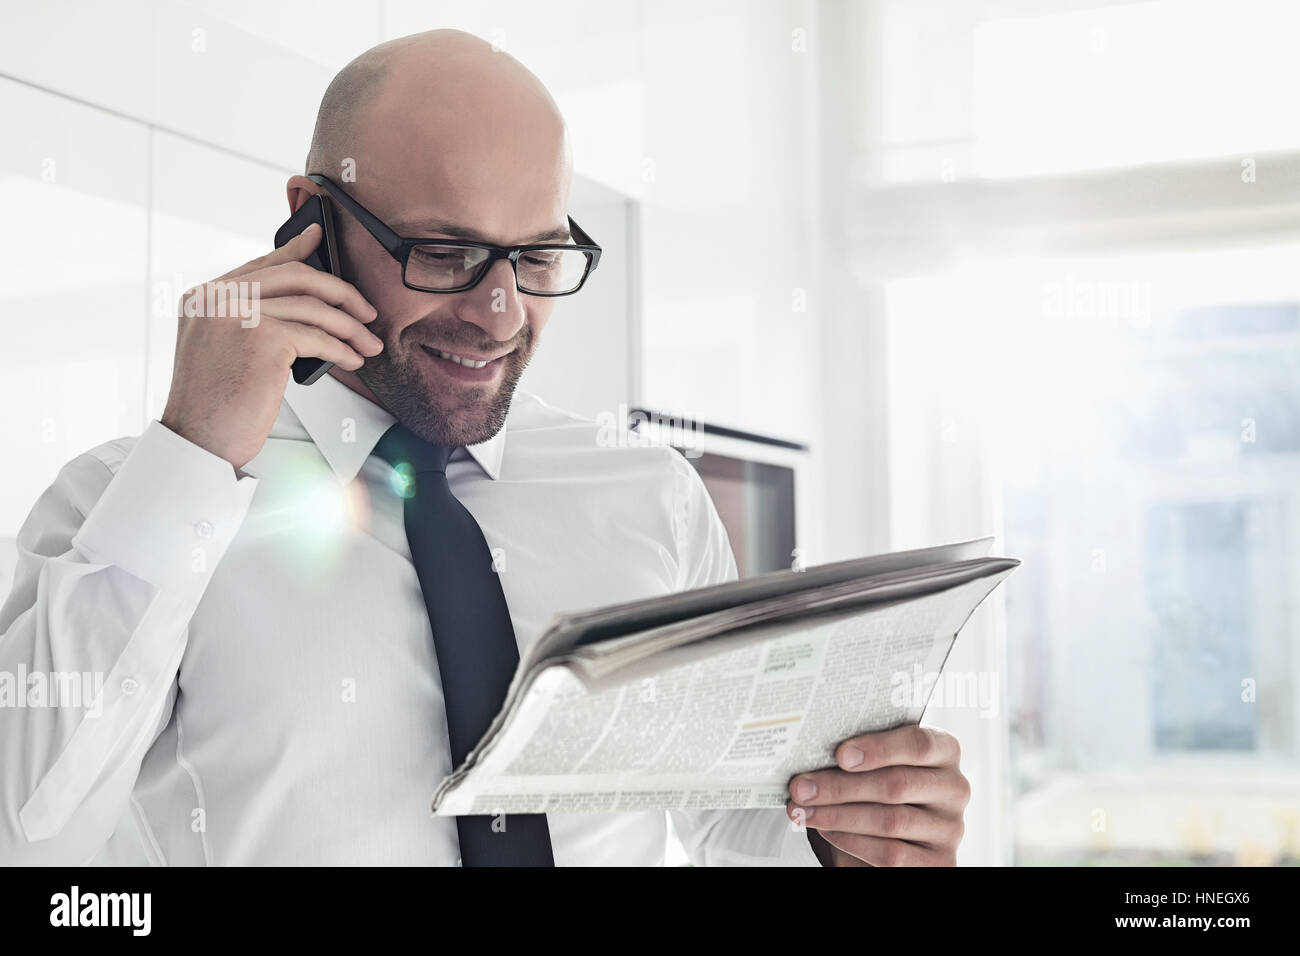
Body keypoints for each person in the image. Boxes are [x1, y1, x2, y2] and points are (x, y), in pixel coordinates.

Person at [0, 29, 969, 866]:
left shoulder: (646, 491)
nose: (499, 313)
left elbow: (727, 819)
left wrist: (847, 832)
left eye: (538, 256)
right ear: (311, 218)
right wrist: (196, 446)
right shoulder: (126, 506)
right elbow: (29, 832)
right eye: (446, 252)